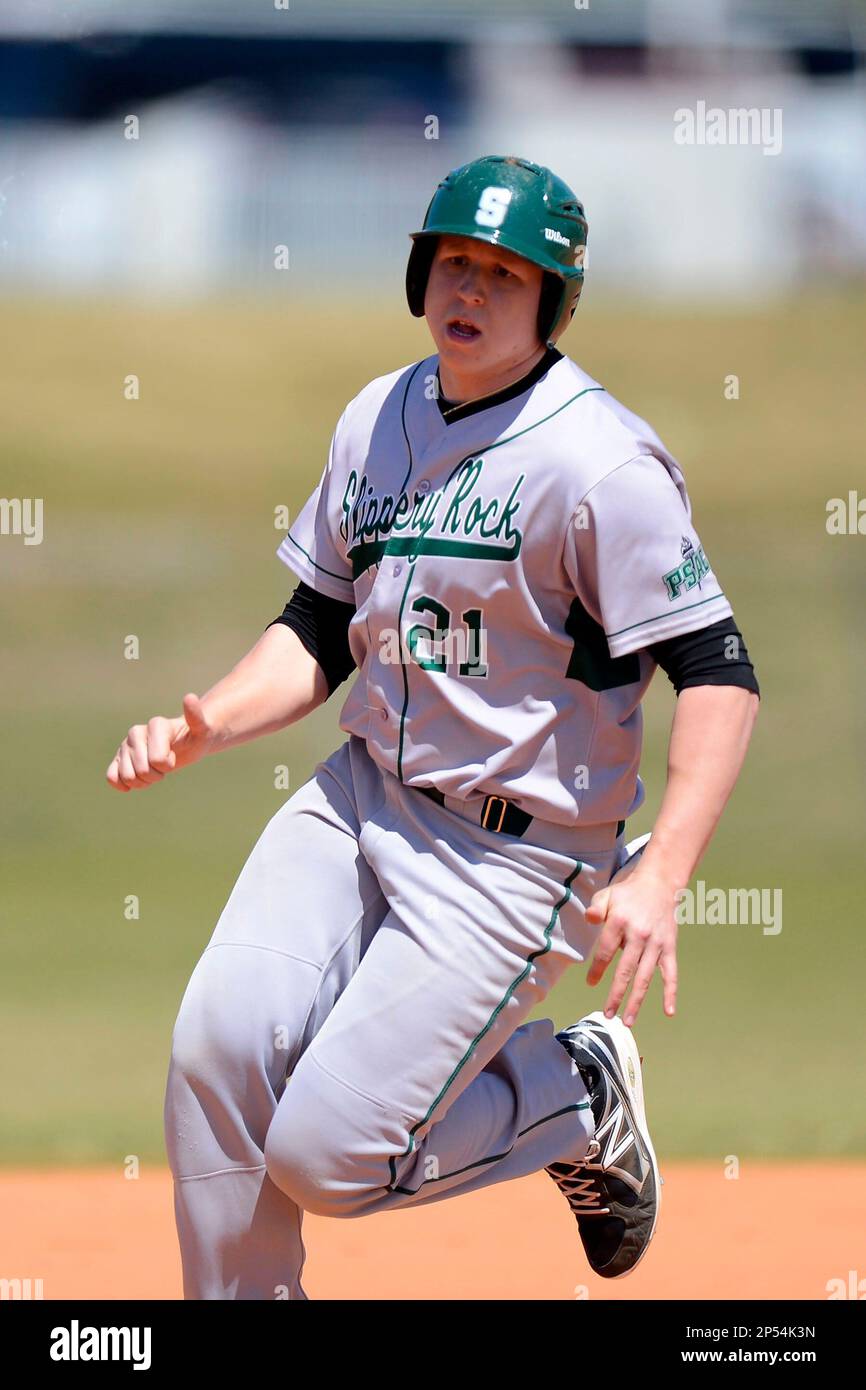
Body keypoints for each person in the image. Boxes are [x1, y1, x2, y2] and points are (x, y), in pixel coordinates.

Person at [106, 155, 760, 1300]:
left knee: (327, 1154)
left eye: (508, 275)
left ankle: (572, 1094)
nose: (472, 289)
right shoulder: (381, 415)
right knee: (217, 1047)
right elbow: (315, 622)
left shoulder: (599, 462)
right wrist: (210, 721)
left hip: (515, 856)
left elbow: (716, 670)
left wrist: (663, 882)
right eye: (456, 262)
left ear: (552, 302)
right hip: (362, 797)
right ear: (421, 271)